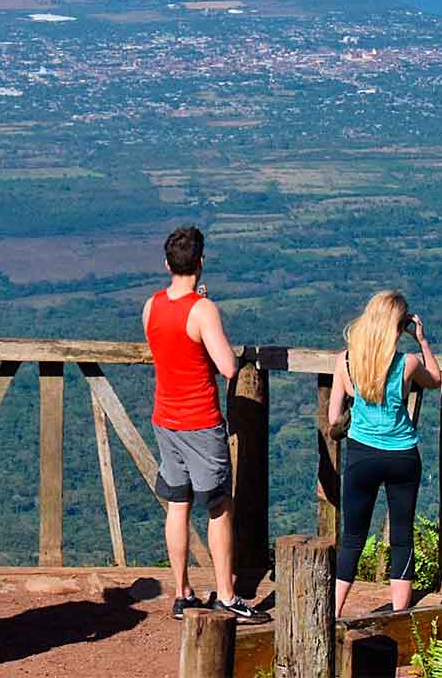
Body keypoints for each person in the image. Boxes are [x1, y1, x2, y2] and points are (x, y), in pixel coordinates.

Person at [143, 226, 270, 624]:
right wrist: (205, 310)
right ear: (201, 262)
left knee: (177, 505)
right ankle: (227, 595)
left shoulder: (151, 306)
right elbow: (229, 367)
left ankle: (181, 593)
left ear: (168, 264)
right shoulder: (203, 310)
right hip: (199, 421)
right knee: (219, 507)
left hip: (165, 418)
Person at [328, 290, 442, 616]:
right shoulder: (407, 363)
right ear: (399, 325)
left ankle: (333, 613)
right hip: (402, 455)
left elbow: (334, 418)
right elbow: (435, 379)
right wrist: (421, 339)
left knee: (352, 537)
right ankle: (399, 615)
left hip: (362, 455)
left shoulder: (346, 361)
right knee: (402, 537)